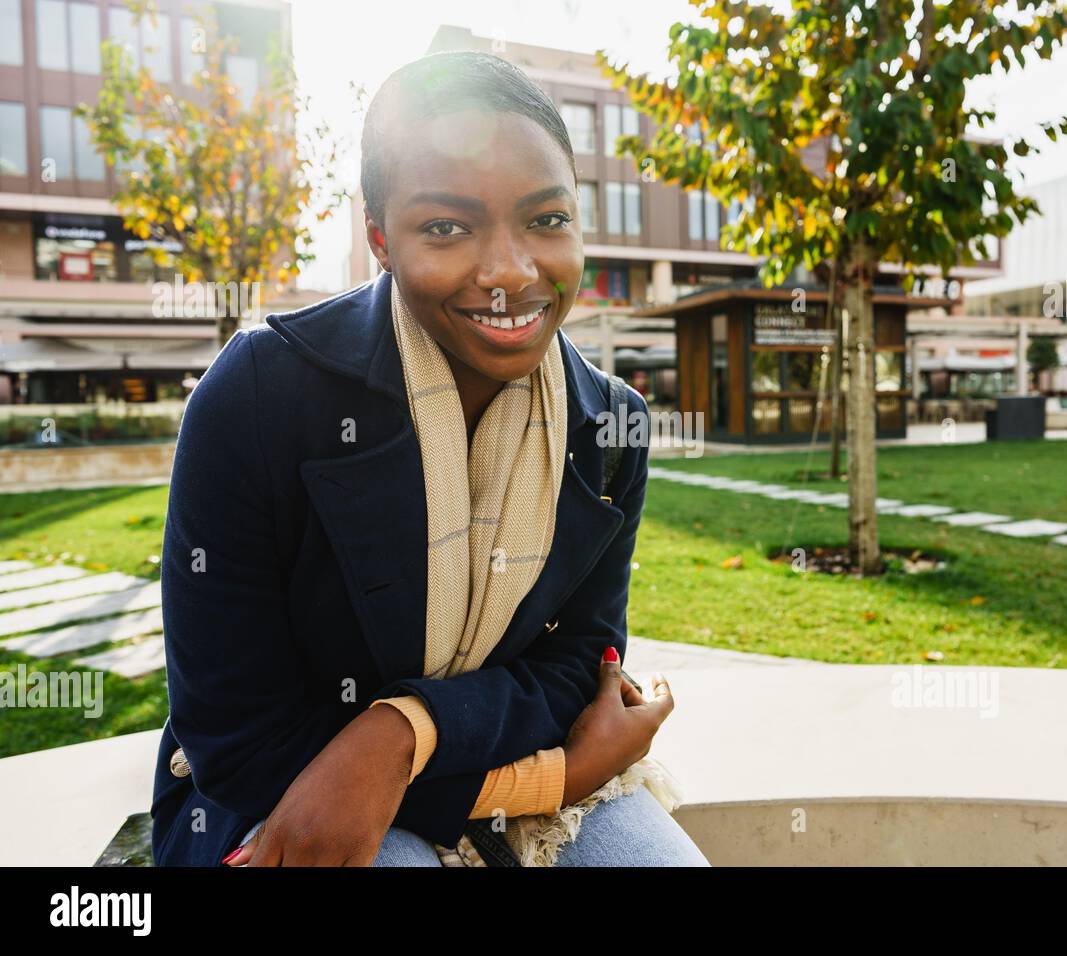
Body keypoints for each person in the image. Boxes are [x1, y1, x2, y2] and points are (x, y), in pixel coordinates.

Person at [150, 51, 708, 867]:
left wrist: (399, 733)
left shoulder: (608, 424)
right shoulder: (260, 395)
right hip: (269, 787)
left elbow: (572, 673)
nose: (512, 273)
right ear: (380, 236)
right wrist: (552, 777)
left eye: (546, 220)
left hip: (493, 765)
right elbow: (238, 734)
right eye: (446, 228)